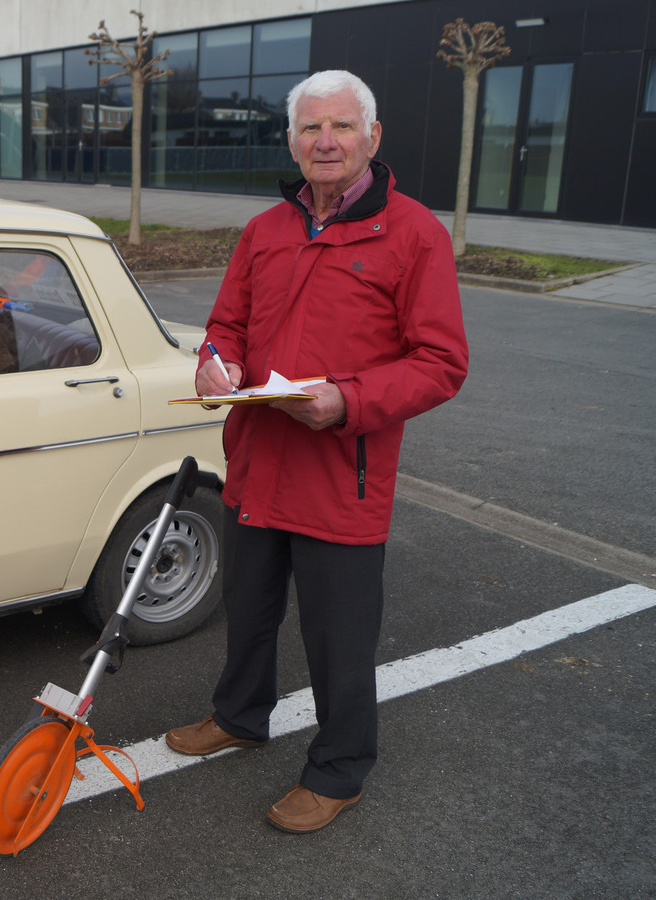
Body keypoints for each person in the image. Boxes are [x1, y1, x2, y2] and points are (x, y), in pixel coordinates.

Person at [165, 70, 469, 833]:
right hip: (257, 465)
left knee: (337, 638)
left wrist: (347, 401)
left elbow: (440, 363)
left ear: (371, 138)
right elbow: (224, 323)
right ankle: (237, 716)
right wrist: (213, 361)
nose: (324, 141)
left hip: (343, 475)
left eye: (339, 127)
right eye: (309, 128)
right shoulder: (265, 231)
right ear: (292, 140)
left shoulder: (413, 233)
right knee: (249, 610)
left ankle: (338, 769)